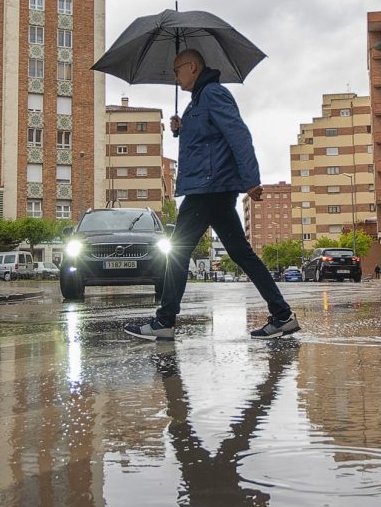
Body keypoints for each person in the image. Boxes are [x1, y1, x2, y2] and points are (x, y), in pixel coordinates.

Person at [124, 49, 298, 341]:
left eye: (177, 70)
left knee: (177, 251)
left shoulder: (214, 94)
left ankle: (164, 321)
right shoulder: (198, 101)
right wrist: (180, 128)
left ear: (192, 67)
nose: (176, 77)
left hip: (208, 187)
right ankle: (282, 315)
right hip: (211, 187)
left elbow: (238, 134)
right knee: (241, 253)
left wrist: (251, 180)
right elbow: (206, 140)